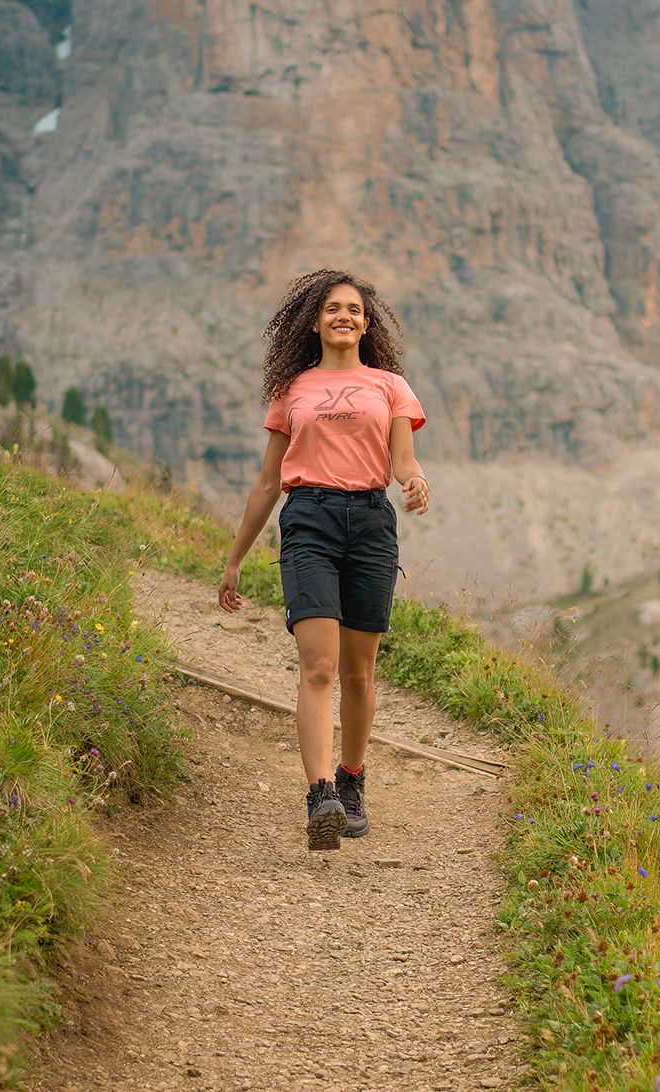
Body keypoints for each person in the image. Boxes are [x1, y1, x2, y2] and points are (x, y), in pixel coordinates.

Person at [217, 270, 429, 850]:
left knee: (359, 671)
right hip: (308, 518)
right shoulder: (292, 390)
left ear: (366, 323)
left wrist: (414, 482)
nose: (344, 316)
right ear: (314, 321)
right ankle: (320, 796)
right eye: (332, 308)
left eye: (355, 310)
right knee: (318, 667)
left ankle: (351, 780)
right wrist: (235, 559)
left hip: (369, 522)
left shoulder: (391, 387)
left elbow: (403, 460)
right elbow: (267, 482)